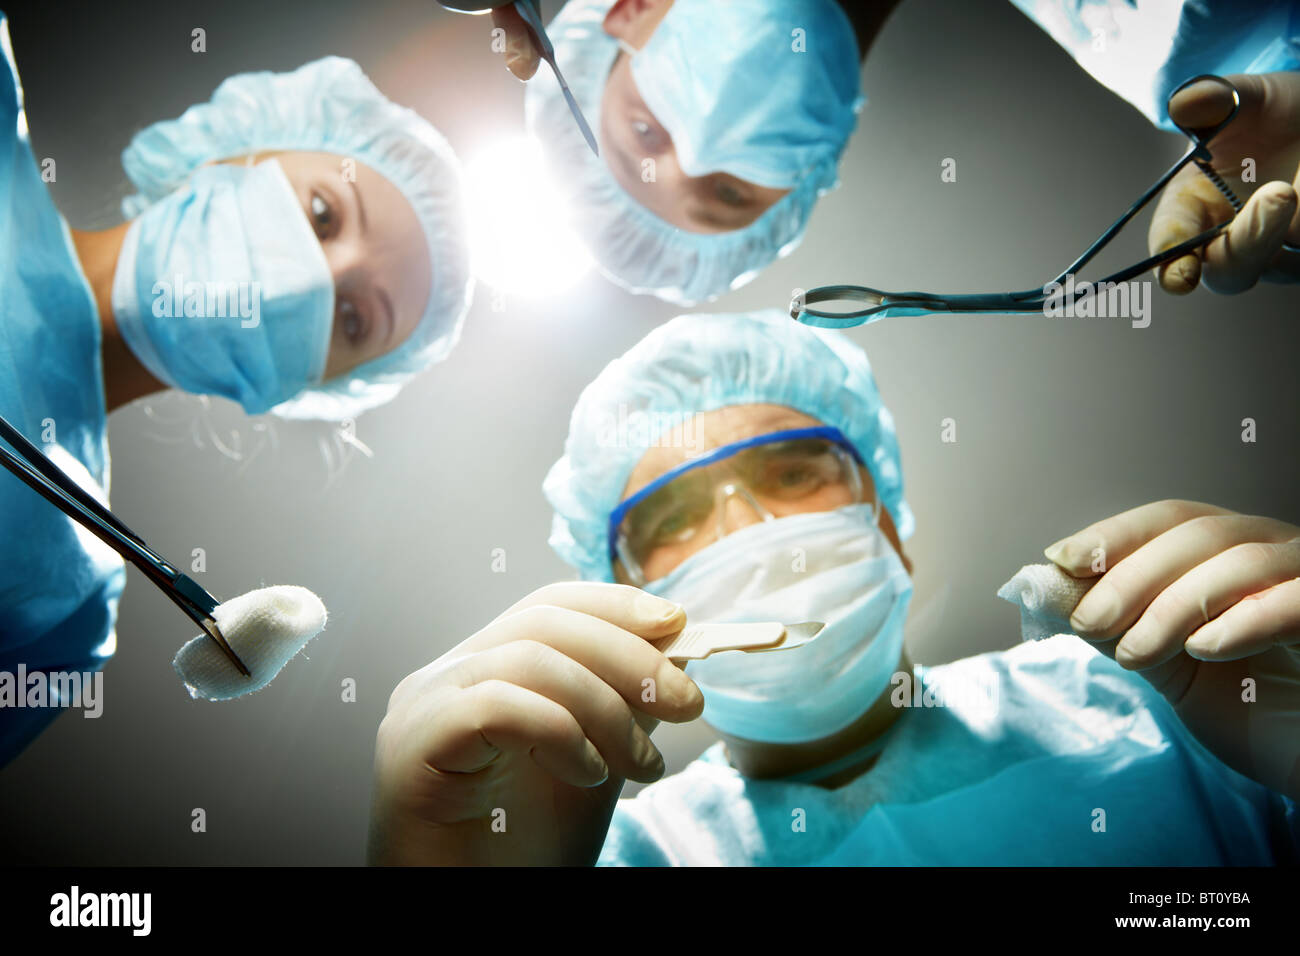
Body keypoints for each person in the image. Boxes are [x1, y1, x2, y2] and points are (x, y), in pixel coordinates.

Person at [368, 310, 1300, 865]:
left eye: (791, 471)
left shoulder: (1158, 709)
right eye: (670, 518)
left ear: (886, 519)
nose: (749, 528)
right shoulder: (614, 856)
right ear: (617, 602)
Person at [0, 31, 472, 764]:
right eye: (323, 214)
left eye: (353, 319)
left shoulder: (67, 605)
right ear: (239, 149)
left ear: (311, 391)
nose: (315, 278)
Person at [476, 0, 1298, 303]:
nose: (710, 139)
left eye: (646, 134)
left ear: (626, 11)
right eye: (728, 189)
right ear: (819, 161)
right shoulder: (1173, 36)